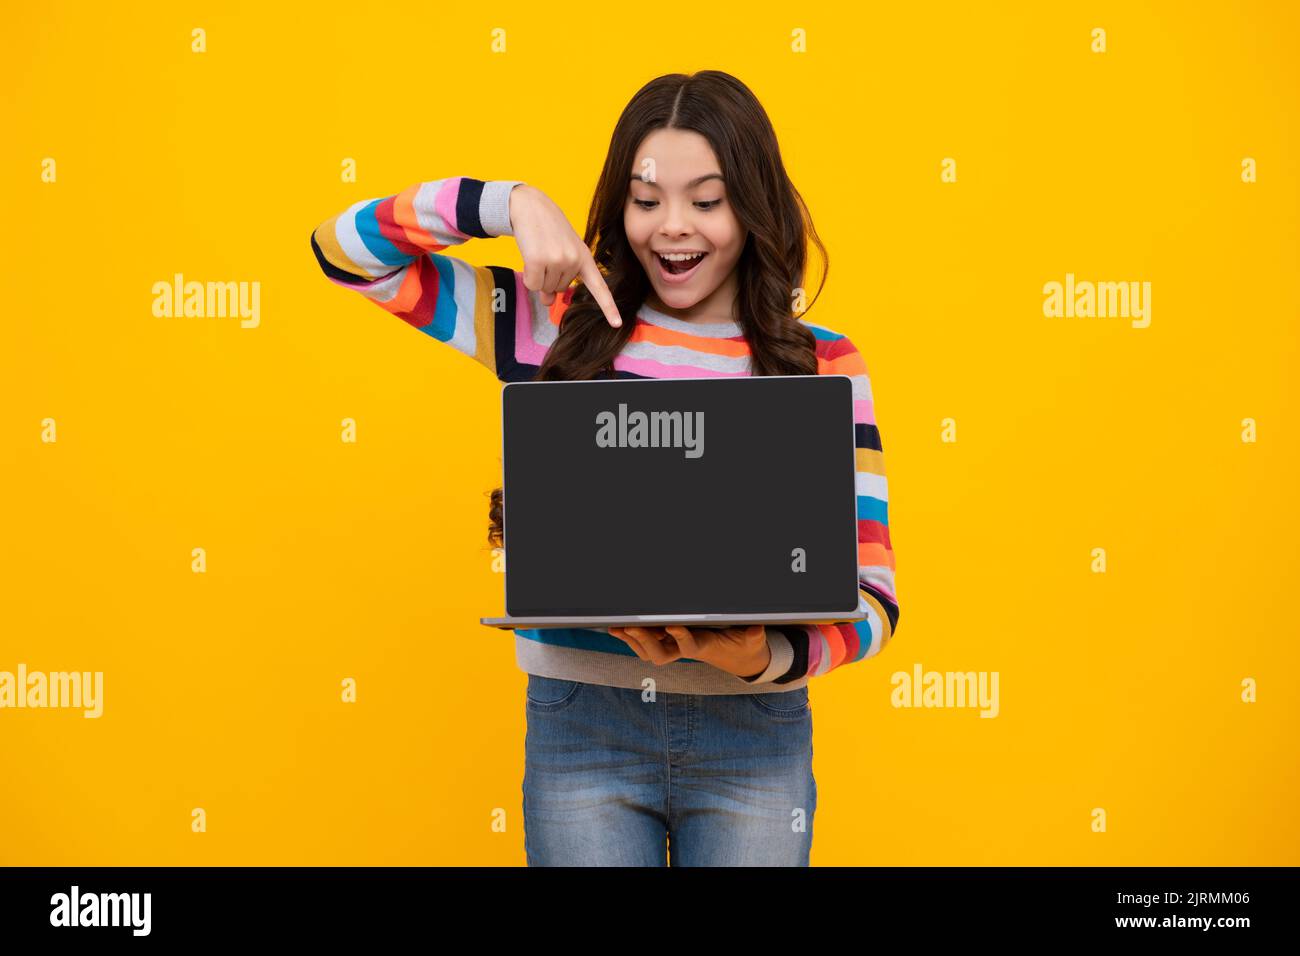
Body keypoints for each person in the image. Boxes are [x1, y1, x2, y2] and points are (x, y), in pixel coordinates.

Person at [309, 70, 899, 866]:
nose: (673, 228)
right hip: (579, 725)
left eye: (708, 200)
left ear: (752, 204)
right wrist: (510, 203)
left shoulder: (823, 363)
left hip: (755, 739)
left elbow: (874, 599)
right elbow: (345, 253)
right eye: (647, 199)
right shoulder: (550, 326)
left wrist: (763, 659)